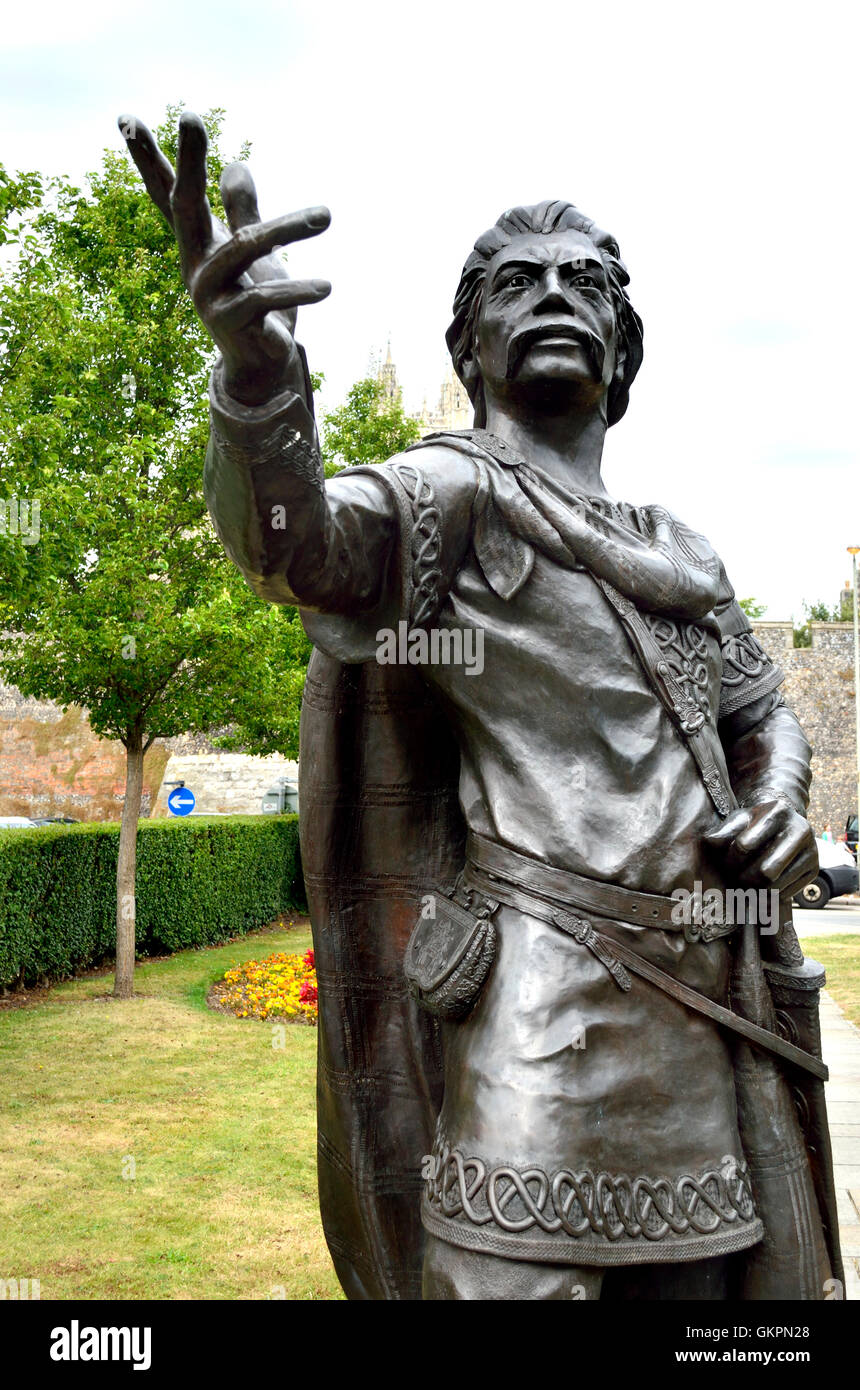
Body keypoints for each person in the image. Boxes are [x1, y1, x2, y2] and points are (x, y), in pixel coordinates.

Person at [121, 112, 836, 1300]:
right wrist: (257, 383)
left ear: (623, 347)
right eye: (517, 282)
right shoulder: (447, 495)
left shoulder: (679, 550)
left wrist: (775, 792)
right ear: (472, 348)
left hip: (707, 1029)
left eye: (585, 281)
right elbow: (303, 550)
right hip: (535, 1022)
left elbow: (758, 709)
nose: (554, 293)